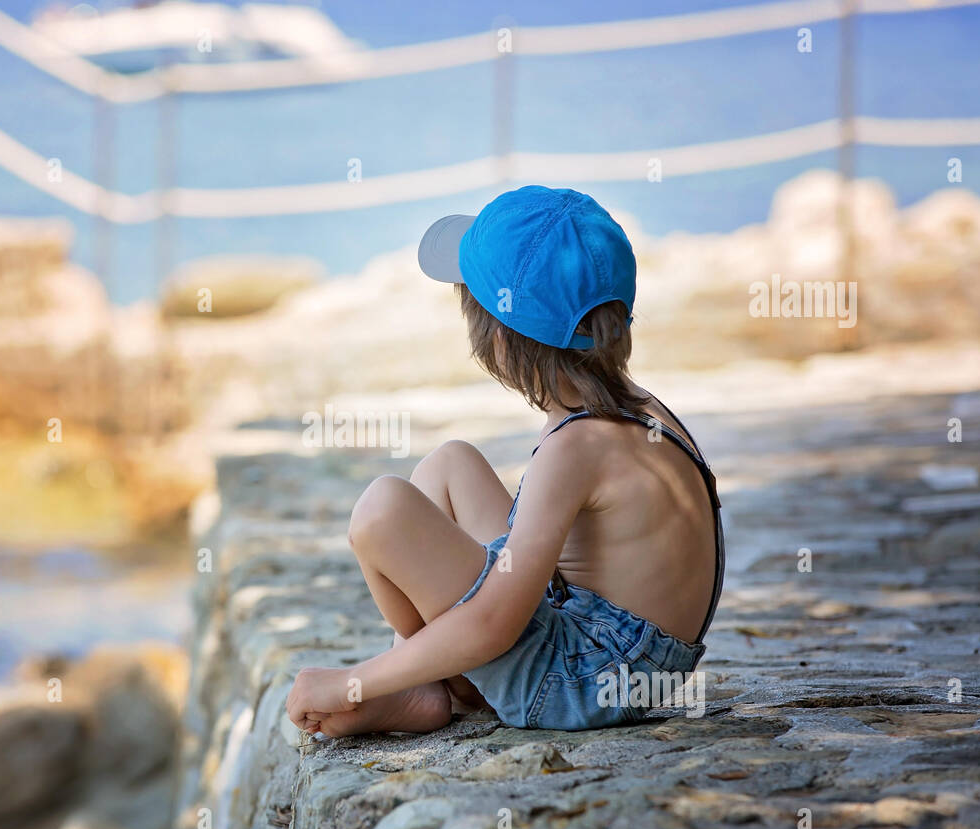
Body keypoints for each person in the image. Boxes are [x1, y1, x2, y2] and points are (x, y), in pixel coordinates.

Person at [286, 185, 724, 735]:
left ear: (496, 335)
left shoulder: (576, 447)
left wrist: (354, 681)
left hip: (581, 682)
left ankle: (415, 682)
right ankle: (426, 681)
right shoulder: (633, 410)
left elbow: (495, 622)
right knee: (451, 465)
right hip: (620, 660)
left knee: (382, 509)